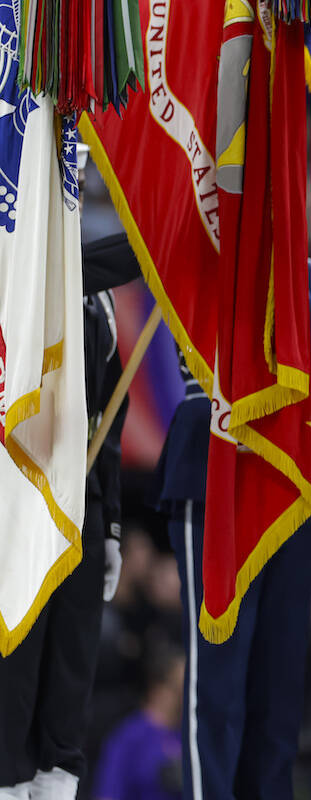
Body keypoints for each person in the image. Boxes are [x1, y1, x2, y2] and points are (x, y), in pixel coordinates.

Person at [154, 241, 311, 800]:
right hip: (222, 459)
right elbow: (247, 336)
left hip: (290, 475)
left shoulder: (308, 270)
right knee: (218, 675)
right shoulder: (200, 240)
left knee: (279, 680)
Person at [0, 221, 138, 800]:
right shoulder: (21, 262)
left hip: (82, 495)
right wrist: (161, 232)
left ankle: (58, 773)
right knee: (20, 652)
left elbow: (110, 414)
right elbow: (74, 266)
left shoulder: (100, 299)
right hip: (21, 487)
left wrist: (110, 528)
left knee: (72, 650)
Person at [92, 647, 186, 800]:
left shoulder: (188, 738)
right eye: (179, 689)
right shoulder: (130, 736)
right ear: (158, 687)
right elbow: (107, 793)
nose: (183, 698)